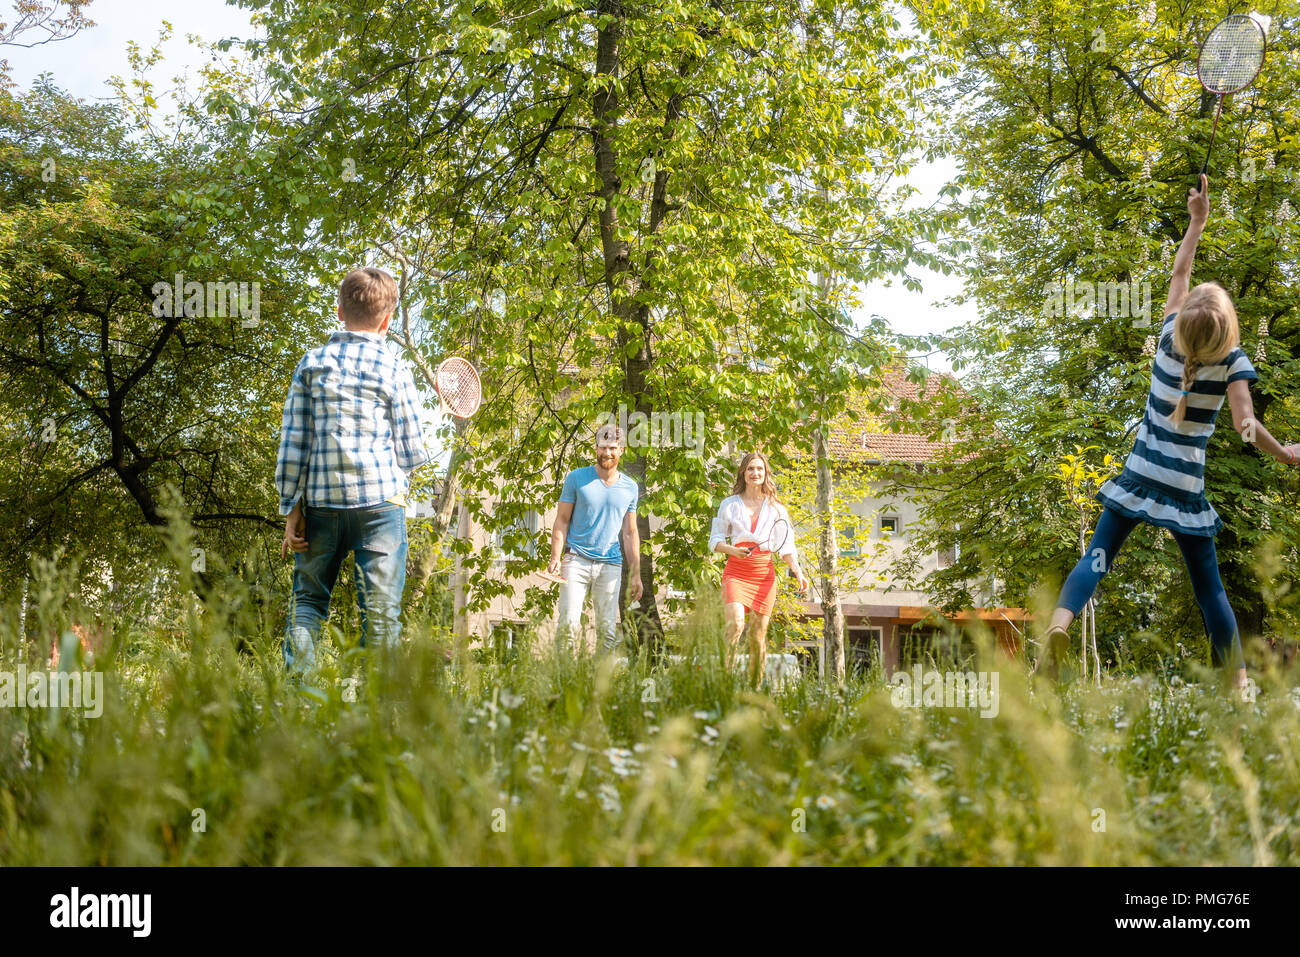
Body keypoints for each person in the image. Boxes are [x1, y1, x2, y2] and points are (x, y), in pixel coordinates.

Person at [1036, 176, 1299, 690]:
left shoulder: (1166, 336)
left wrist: (1196, 221)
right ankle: (1240, 685)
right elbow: (1247, 426)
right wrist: (1286, 454)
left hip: (1138, 477)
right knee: (1211, 591)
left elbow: (1180, 272)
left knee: (1096, 557)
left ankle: (1058, 627)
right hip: (1185, 492)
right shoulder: (1234, 362)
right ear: (1228, 329)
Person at [276, 267, 430, 674]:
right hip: (381, 507)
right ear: (387, 319)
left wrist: (292, 507)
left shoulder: (311, 364)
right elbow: (414, 452)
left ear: (339, 311)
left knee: (308, 603)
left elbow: (294, 443)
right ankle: (375, 716)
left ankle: (300, 701)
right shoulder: (395, 368)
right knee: (380, 617)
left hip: (321, 507)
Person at [708, 451, 809, 687]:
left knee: (757, 636)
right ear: (743, 472)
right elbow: (714, 541)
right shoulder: (729, 505)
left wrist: (798, 572)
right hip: (736, 571)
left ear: (766, 474)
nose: (755, 473)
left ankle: (754, 689)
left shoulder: (776, 508)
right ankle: (725, 684)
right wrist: (734, 551)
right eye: (751, 468)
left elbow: (786, 547)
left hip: (763, 574)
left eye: (760, 469)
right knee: (735, 625)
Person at [546, 425, 643, 653]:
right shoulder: (577, 478)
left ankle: (599, 688)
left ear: (621, 450)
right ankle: (565, 686)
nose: (606, 453)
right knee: (567, 628)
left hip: (610, 565)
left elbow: (629, 533)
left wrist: (636, 574)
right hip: (576, 561)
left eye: (612, 448)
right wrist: (555, 557)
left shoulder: (630, 487)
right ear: (596, 448)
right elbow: (561, 520)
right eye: (602, 447)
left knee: (608, 632)